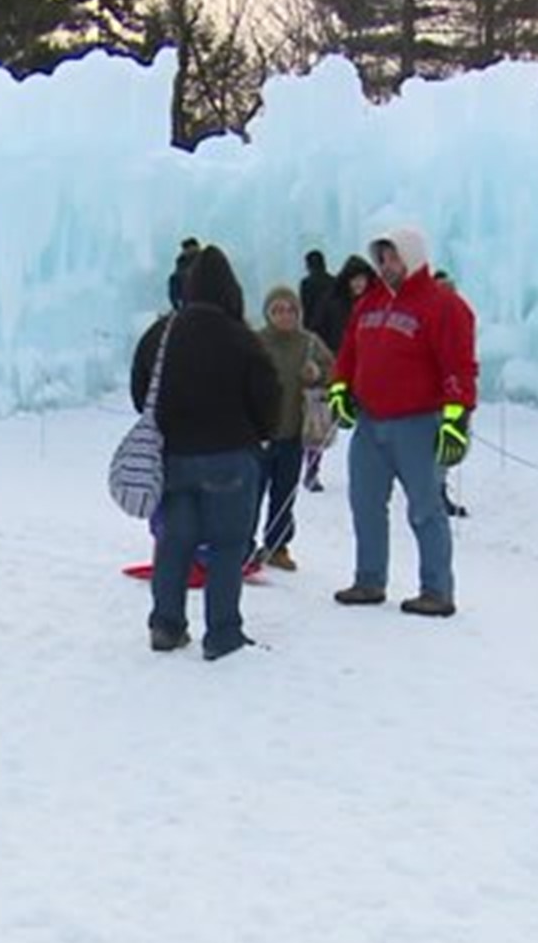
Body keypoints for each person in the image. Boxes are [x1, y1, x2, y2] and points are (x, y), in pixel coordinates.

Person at [132, 245, 280, 660]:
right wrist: (257, 433)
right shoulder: (243, 339)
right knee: (227, 548)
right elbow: (268, 399)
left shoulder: (161, 334)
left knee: (174, 542)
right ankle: (223, 634)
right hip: (231, 458)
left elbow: (141, 391)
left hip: (174, 458)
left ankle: (166, 625)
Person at [325, 227, 477, 618]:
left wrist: (456, 419)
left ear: (411, 256)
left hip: (419, 422)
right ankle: (369, 579)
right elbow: (349, 353)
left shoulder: (443, 305)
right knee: (365, 503)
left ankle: (437, 590)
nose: (386, 266)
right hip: (371, 422)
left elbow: (459, 366)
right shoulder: (369, 303)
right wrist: (341, 388)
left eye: (392, 257)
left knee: (425, 508)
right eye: (381, 258)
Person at [254, 285, 334, 571]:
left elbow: (333, 373)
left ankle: (277, 546)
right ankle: (243, 546)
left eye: (290, 309)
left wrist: (319, 374)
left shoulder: (309, 343)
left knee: (284, 493)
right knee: (252, 492)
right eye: (277, 310)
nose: (284, 315)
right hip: (259, 434)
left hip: (293, 432)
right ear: (268, 313)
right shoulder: (256, 341)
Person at [304, 254, 373, 491]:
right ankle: (312, 469)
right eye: (354, 280)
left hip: (367, 367)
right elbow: (316, 330)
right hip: (336, 365)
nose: (358, 284)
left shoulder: (376, 303)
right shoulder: (332, 301)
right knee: (323, 422)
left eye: (362, 279)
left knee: (371, 421)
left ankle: (372, 471)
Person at [434, 269, 471, 519]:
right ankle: (434, 494)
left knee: (445, 448)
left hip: (452, 393)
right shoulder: (429, 317)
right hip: (436, 396)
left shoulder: (459, 314)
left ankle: (438, 491)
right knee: (435, 448)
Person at [298, 249, 335, 333]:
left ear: (308, 265)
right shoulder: (334, 282)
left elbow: (305, 307)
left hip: (312, 326)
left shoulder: (306, 283)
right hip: (332, 327)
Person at [166, 237, 202, 313]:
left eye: (190, 248)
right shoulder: (181, 267)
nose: (189, 251)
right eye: (186, 249)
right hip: (188, 305)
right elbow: (174, 288)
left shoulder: (205, 262)